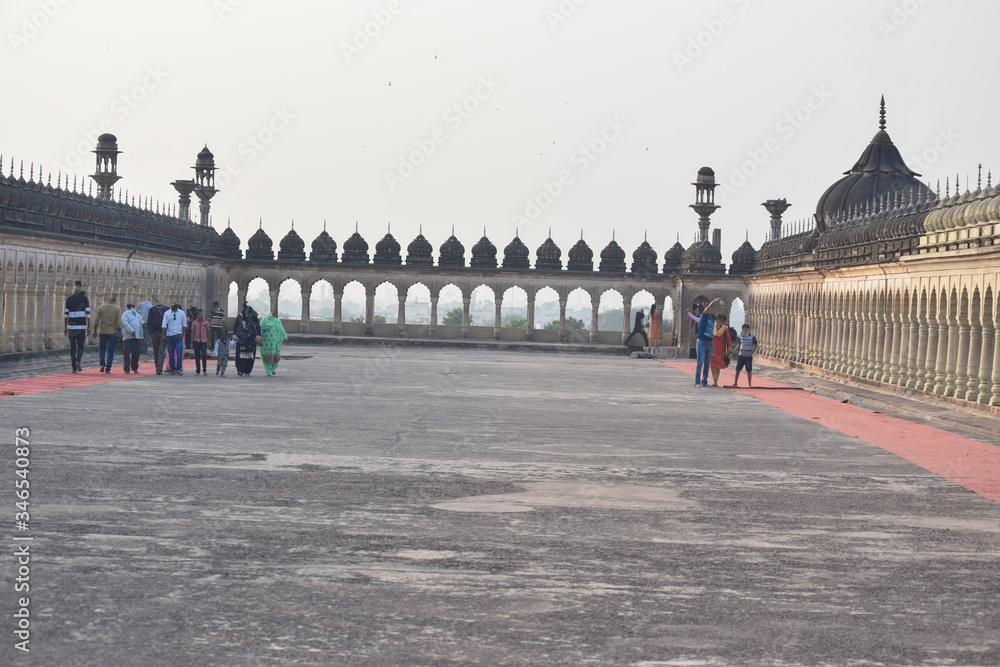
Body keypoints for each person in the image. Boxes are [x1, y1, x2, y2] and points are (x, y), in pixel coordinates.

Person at [91, 294, 122, 374]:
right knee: (110, 351)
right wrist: (119, 332)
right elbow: (118, 322)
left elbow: (97, 320)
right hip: (112, 332)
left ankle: (102, 363)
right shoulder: (117, 308)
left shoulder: (102, 307)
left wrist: (94, 330)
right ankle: (108, 368)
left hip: (103, 331)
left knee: (102, 348)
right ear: (114, 300)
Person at [64, 280, 90, 373]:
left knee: (72, 348)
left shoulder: (69, 299)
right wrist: (89, 327)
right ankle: (78, 360)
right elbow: (88, 314)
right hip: (81, 327)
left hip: (71, 327)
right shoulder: (84, 299)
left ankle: (73, 368)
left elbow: (66, 314)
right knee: (81, 346)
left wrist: (65, 327)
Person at [695, 298, 721, 387]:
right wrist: (713, 301)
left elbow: (713, 333)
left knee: (707, 364)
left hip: (709, 343)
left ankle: (704, 381)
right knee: (699, 363)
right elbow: (707, 309)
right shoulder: (704, 317)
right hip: (701, 342)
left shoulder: (713, 321)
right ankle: (697, 382)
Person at [233, 303, 261, 377]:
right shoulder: (239, 317)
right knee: (240, 356)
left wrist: (258, 336)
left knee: (250, 357)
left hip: (251, 340)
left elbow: (258, 328)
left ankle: (247, 371)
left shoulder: (254, 318)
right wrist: (234, 335)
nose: (247, 314)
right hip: (241, 340)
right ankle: (240, 370)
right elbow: (235, 327)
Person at [729, 324, 759, 388]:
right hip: (741, 354)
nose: (745, 330)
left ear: (748, 329)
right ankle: (735, 382)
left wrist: (752, 352)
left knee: (749, 370)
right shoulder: (741, 337)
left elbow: (755, 345)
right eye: (743, 329)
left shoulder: (752, 337)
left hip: (748, 355)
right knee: (738, 369)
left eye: (746, 329)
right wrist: (734, 351)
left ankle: (749, 383)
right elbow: (739, 344)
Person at [259, 311, 288, 376]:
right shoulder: (264, 321)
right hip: (266, 343)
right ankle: (268, 371)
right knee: (267, 357)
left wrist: (285, 338)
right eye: (274, 313)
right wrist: (259, 340)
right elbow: (260, 331)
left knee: (277, 356)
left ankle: (272, 369)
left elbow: (281, 329)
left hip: (276, 343)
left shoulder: (277, 321)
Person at [709, 313, 733, 387]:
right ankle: (715, 381)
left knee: (718, 366)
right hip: (712, 348)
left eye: (720, 320)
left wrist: (730, 349)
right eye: (717, 320)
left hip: (720, 349)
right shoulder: (713, 327)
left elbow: (728, 339)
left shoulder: (724, 329)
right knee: (712, 365)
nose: (718, 322)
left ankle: (716, 381)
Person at [163, 303, 187, 375]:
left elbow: (184, 324)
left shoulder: (182, 313)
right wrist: (163, 335)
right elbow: (164, 325)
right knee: (171, 354)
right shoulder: (167, 313)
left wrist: (183, 334)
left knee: (179, 353)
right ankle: (172, 369)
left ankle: (179, 369)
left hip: (178, 336)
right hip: (170, 336)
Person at [147, 299, 169, 375]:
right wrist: (151, 333)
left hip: (163, 333)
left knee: (161, 351)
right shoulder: (152, 310)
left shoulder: (167, 309)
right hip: (155, 333)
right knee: (156, 352)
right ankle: (157, 366)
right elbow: (149, 322)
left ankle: (159, 368)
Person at [120, 303, 143, 374]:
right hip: (128, 337)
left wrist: (141, 336)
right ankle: (126, 368)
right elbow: (125, 323)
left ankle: (135, 367)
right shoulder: (125, 314)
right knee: (127, 353)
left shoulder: (137, 315)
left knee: (136, 352)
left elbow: (140, 326)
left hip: (137, 337)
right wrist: (132, 330)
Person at [190, 309, 211, 376]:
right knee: (197, 356)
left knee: (204, 355)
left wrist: (209, 342)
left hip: (204, 340)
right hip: (196, 340)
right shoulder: (194, 323)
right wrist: (191, 342)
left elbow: (208, 332)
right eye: (199, 316)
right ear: (197, 316)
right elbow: (192, 333)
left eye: (201, 316)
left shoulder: (206, 323)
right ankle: (198, 370)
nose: (200, 317)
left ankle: (204, 370)